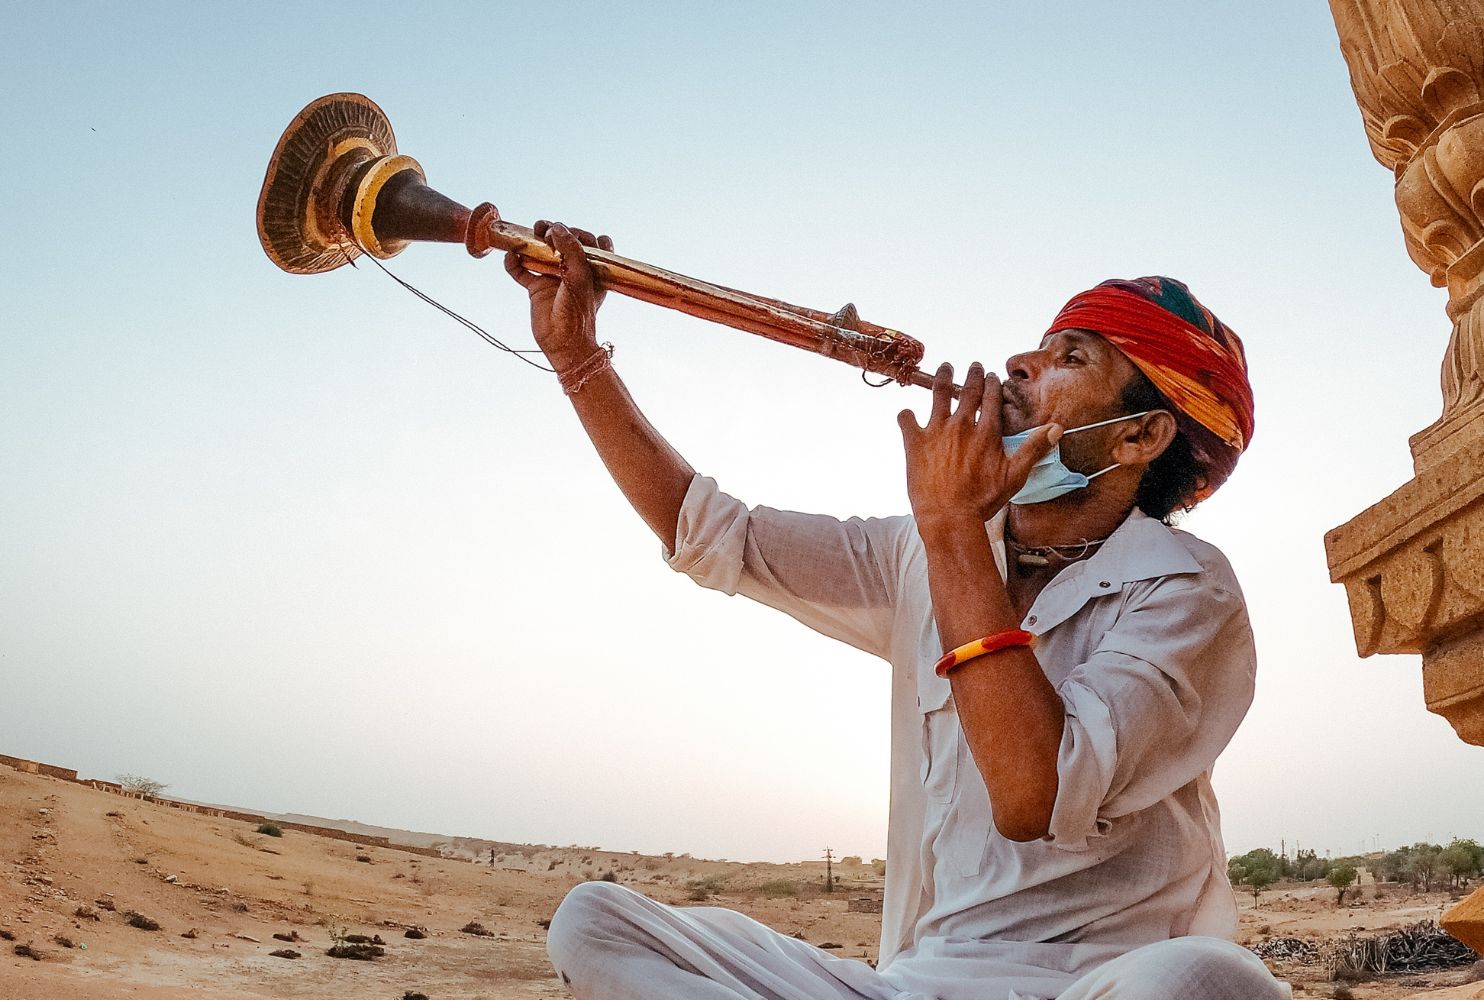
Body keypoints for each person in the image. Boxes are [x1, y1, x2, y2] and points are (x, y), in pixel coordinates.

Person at [509, 221, 1288, 1000]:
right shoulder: (920, 555)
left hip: (1105, 982)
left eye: (1071, 359)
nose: (1021, 363)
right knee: (596, 922)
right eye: (1040, 347)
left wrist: (950, 525)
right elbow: (714, 532)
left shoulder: (1186, 586)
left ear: (1140, 435)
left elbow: (1034, 796)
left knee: (1210, 980)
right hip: (925, 982)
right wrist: (577, 357)